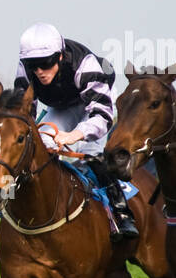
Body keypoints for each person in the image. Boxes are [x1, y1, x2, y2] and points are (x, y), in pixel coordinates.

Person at [12, 23, 137, 240]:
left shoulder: (85, 65)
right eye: (33, 65)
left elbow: (102, 117)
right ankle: (22, 201)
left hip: (94, 104)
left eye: (46, 63)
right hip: (61, 106)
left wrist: (72, 136)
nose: (39, 71)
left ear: (60, 56)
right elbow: (23, 112)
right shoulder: (25, 69)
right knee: (42, 146)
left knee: (91, 155)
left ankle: (122, 213)